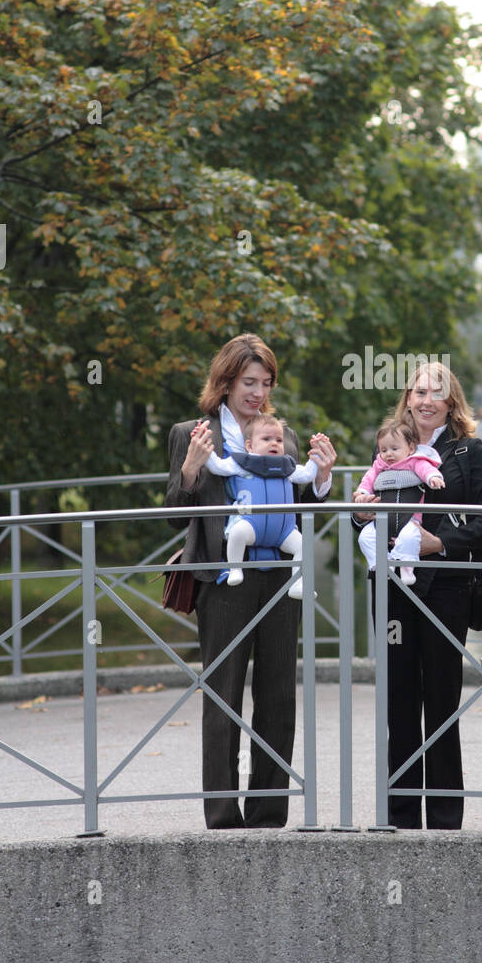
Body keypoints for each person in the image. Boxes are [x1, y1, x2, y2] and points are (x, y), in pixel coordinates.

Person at [166, 334, 336, 830]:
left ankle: (268, 811)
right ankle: (221, 815)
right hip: (225, 578)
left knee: (279, 693)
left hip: (280, 577)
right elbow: (176, 517)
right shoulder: (191, 433)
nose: (257, 393)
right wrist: (192, 470)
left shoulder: (280, 430)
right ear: (224, 382)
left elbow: (301, 509)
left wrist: (322, 479)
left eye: (265, 383)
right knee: (223, 693)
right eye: (248, 382)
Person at [354, 362, 482, 829]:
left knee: (440, 700)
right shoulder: (390, 443)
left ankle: (443, 817)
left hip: (447, 589)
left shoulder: (468, 450)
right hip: (392, 588)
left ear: (451, 401)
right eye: (418, 392)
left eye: (436, 393)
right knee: (398, 700)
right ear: (407, 397)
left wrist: (444, 545)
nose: (426, 400)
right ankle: (398, 816)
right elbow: (366, 500)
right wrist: (360, 516)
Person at [206, 413, 318, 594]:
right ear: (249, 445)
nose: (274, 443)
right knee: (236, 533)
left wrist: (316, 458)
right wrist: (205, 451)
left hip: (284, 531)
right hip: (251, 525)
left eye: (279, 440)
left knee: (304, 545)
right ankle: (235, 567)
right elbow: (217, 466)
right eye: (266, 438)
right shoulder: (242, 464)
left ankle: (298, 584)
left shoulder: (287, 468)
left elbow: (307, 474)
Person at [353, 417, 444, 586]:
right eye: (383, 450)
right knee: (365, 537)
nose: (388, 454)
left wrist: (434, 477)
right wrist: (362, 493)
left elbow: (426, 470)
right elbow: (369, 478)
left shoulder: (415, 461)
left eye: (394, 448)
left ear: (410, 448)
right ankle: (379, 565)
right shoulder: (380, 465)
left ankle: (406, 566)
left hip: (409, 518)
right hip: (381, 519)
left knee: (410, 537)